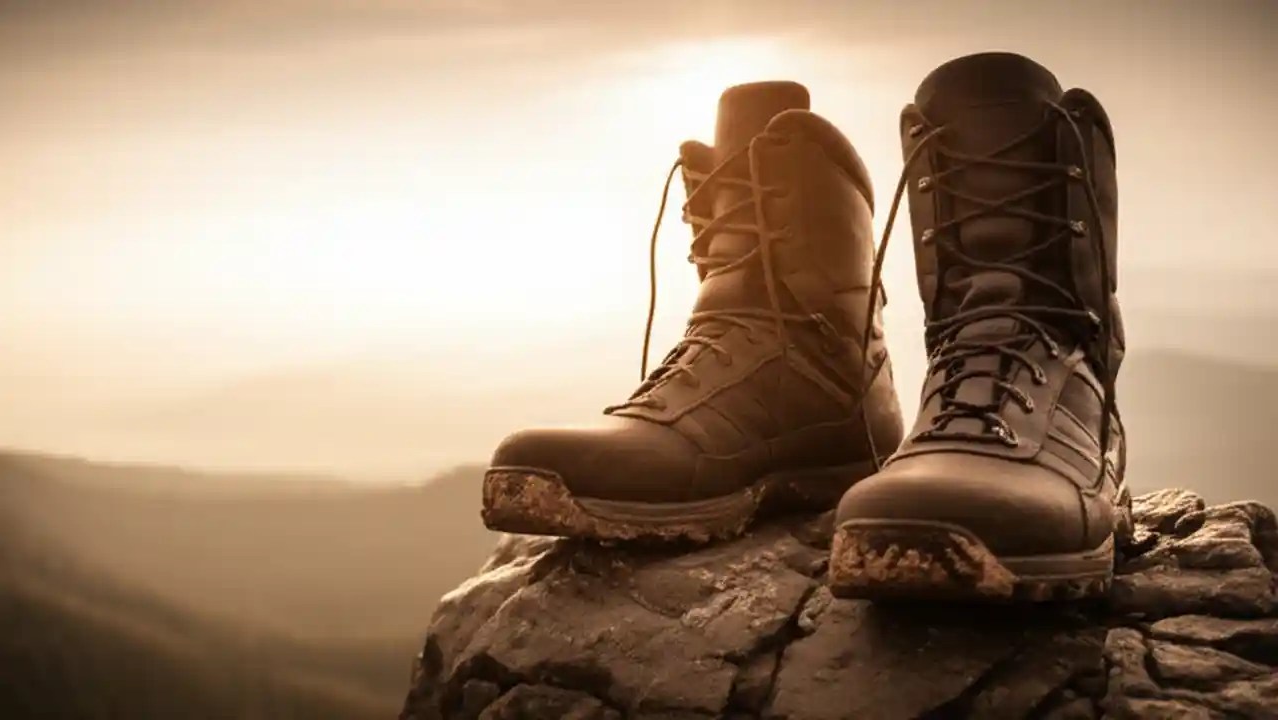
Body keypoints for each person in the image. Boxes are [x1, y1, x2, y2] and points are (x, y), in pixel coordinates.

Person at [480, 52, 1127, 604]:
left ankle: (1061, 387)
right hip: (820, 387)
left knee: (1008, 327)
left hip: (1052, 373)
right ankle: (819, 393)